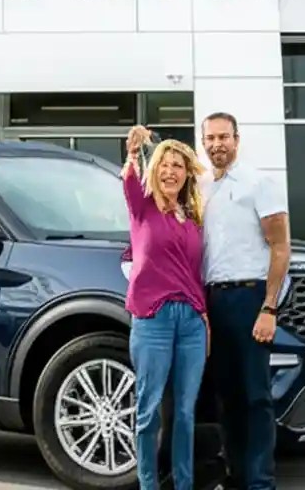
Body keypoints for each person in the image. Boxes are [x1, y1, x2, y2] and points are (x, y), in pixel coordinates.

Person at [198, 112, 291, 490]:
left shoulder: (259, 183)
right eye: (210, 138)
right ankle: (235, 477)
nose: (217, 144)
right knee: (226, 396)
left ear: (237, 139)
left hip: (251, 299)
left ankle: (260, 482)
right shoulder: (201, 188)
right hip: (213, 301)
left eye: (224, 137)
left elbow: (281, 248)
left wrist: (269, 307)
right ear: (202, 142)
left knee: (256, 396)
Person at [121, 124, 211, 490]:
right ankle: (148, 484)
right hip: (153, 318)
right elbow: (129, 178)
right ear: (155, 169)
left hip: (191, 320)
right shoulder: (141, 207)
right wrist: (132, 152)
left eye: (178, 165)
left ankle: (184, 485)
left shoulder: (193, 219)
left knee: (186, 413)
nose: (171, 171)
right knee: (148, 411)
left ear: (187, 173)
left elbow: (194, 271)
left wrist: (204, 315)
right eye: (165, 164)